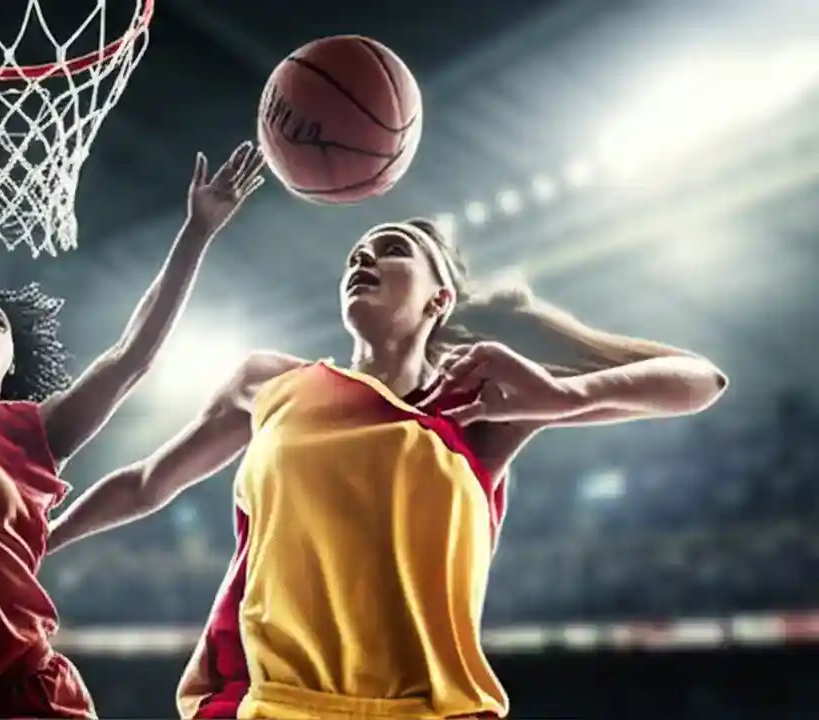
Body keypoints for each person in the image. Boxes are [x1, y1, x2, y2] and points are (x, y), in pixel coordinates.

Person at [47, 217, 728, 719]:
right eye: (355, 253)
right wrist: (39, 538)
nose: (363, 258)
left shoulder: (480, 407)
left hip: (431, 708)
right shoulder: (269, 383)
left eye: (392, 249)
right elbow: (146, 483)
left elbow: (702, 381)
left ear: (440, 301)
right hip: (268, 701)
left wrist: (564, 395)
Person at [0, 98, 265, 719]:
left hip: (31, 692)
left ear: (12, 360)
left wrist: (196, 233)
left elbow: (130, 356)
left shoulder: (36, 432)